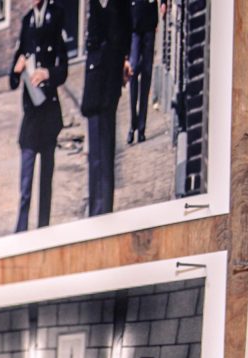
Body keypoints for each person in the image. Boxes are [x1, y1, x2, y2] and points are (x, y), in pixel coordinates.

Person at [10, 0, 71, 234]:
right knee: (25, 184)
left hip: (48, 113)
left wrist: (48, 73)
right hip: (31, 115)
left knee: (46, 181)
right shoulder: (26, 21)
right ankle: (21, 232)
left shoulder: (56, 15)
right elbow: (13, 79)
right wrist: (16, 69)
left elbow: (63, 69)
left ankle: (43, 232)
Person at [82, 0, 134, 218]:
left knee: (106, 149)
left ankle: (104, 210)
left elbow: (126, 31)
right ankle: (95, 209)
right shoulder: (93, 4)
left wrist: (125, 60)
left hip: (110, 77)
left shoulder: (119, 5)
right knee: (95, 152)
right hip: (95, 79)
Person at [129, 0, 161, 144]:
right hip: (134, 24)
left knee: (146, 74)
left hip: (149, 22)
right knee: (133, 71)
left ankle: (141, 128)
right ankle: (132, 123)